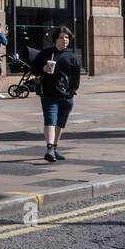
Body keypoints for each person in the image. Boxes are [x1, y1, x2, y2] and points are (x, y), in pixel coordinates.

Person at [33, 26, 82, 163]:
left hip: (66, 96)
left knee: (60, 123)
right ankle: (49, 149)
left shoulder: (72, 57)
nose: (64, 40)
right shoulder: (46, 54)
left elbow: (75, 77)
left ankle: (54, 148)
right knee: (50, 120)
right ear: (55, 40)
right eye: (61, 37)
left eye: (66, 37)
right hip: (48, 93)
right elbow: (34, 69)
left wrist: (72, 90)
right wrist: (43, 68)